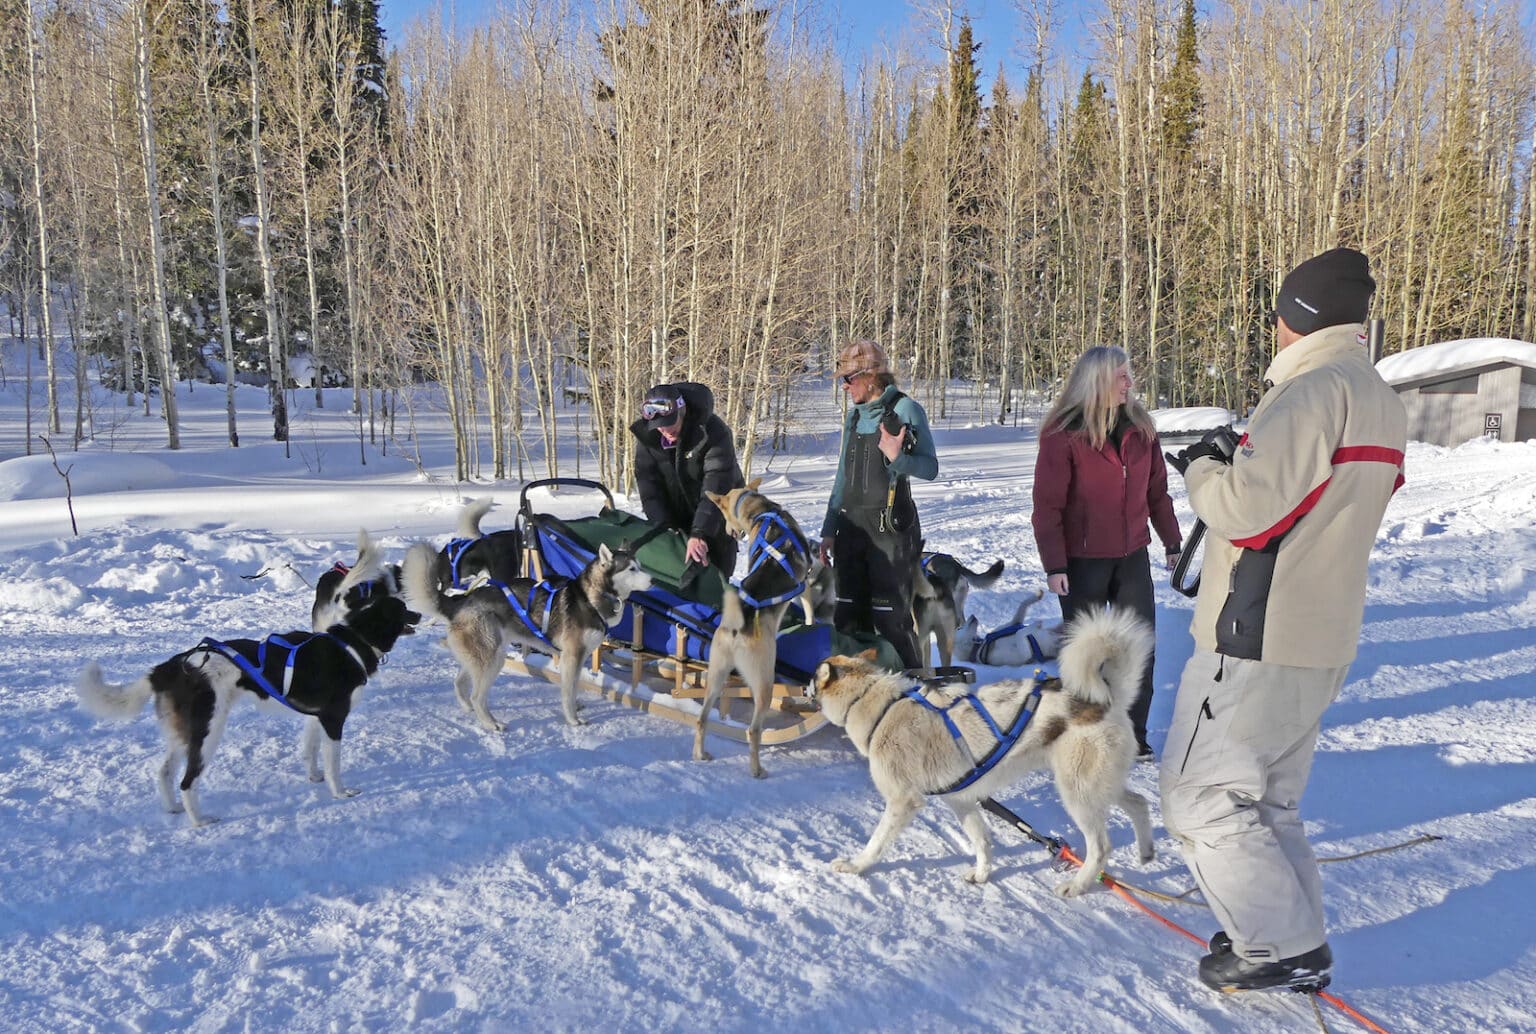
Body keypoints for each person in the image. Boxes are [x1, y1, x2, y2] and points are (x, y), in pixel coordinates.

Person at [1159, 247, 1407, 994]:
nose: (1273, 324)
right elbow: (1333, 499)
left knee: (1200, 796)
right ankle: (1283, 928)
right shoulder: (1378, 396)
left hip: (1256, 633)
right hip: (1322, 631)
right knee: (1269, 802)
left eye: (1280, 311)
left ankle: (1278, 945)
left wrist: (1206, 469)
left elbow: (1244, 512)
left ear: (1297, 318)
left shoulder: (1308, 393)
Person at [1031, 345, 1182, 762]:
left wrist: (1171, 541)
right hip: (1081, 564)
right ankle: (1087, 734)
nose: (1129, 383)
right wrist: (1055, 565)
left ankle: (1134, 735)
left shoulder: (1140, 429)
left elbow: (1157, 493)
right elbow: (1047, 507)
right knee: (1086, 656)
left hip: (1131, 557)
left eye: (1128, 375)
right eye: (1121, 376)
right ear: (1097, 381)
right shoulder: (1063, 435)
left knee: (1139, 648)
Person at [819, 339, 938, 668]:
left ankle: (915, 690)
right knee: (846, 618)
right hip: (851, 531)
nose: (844, 387)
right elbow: (842, 477)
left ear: (870, 376)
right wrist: (829, 529)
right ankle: (853, 691)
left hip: (890, 535)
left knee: (889, 619)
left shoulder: (906, 410)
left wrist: (898, 458)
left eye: (848, 379)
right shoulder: (854, 418)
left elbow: (931, 467)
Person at [630, 382, 745, 575]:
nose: (665, 431)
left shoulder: (713, 433)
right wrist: (664, 527)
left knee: (714, 576)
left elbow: (716, 486)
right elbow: (650, 489)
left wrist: (700, 532)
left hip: (717, 515)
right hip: (676, 516)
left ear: (682, 412)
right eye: (659, 427)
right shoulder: (648, 438)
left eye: (670, 424)